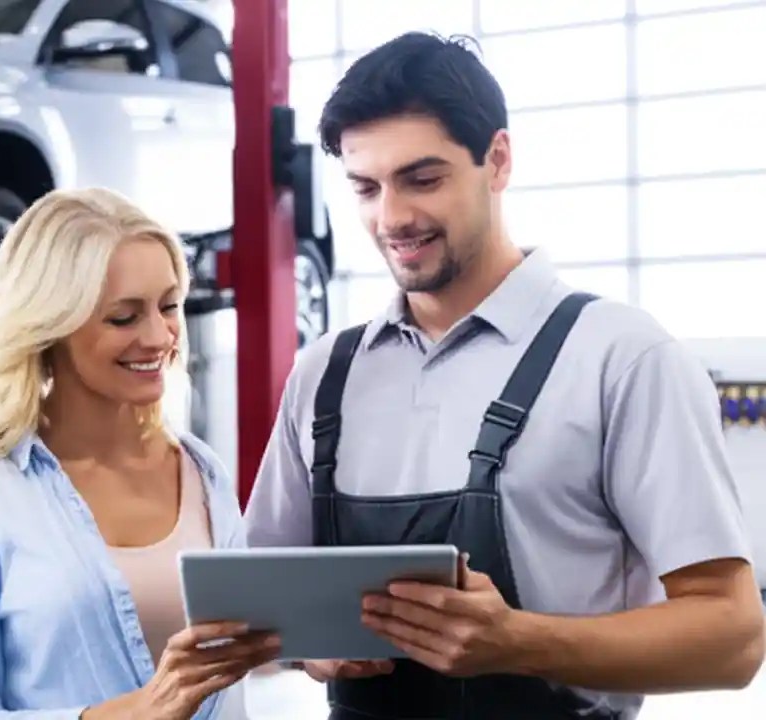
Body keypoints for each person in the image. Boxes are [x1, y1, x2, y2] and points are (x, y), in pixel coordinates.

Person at [244, 31, 764, 720]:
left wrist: (519, 641)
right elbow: (259, 605)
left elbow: (732, 638)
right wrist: (312, 646)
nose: (393, 217)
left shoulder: (623, 358)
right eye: (367, 187)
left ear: (498, 159)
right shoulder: (323, 376)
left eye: (423, 179)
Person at [0, 187, 281, 719]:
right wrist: (127, 715)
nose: (159, 336)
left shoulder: (202, 472)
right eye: (123, 318)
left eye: (169, 306)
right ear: (50, 325)